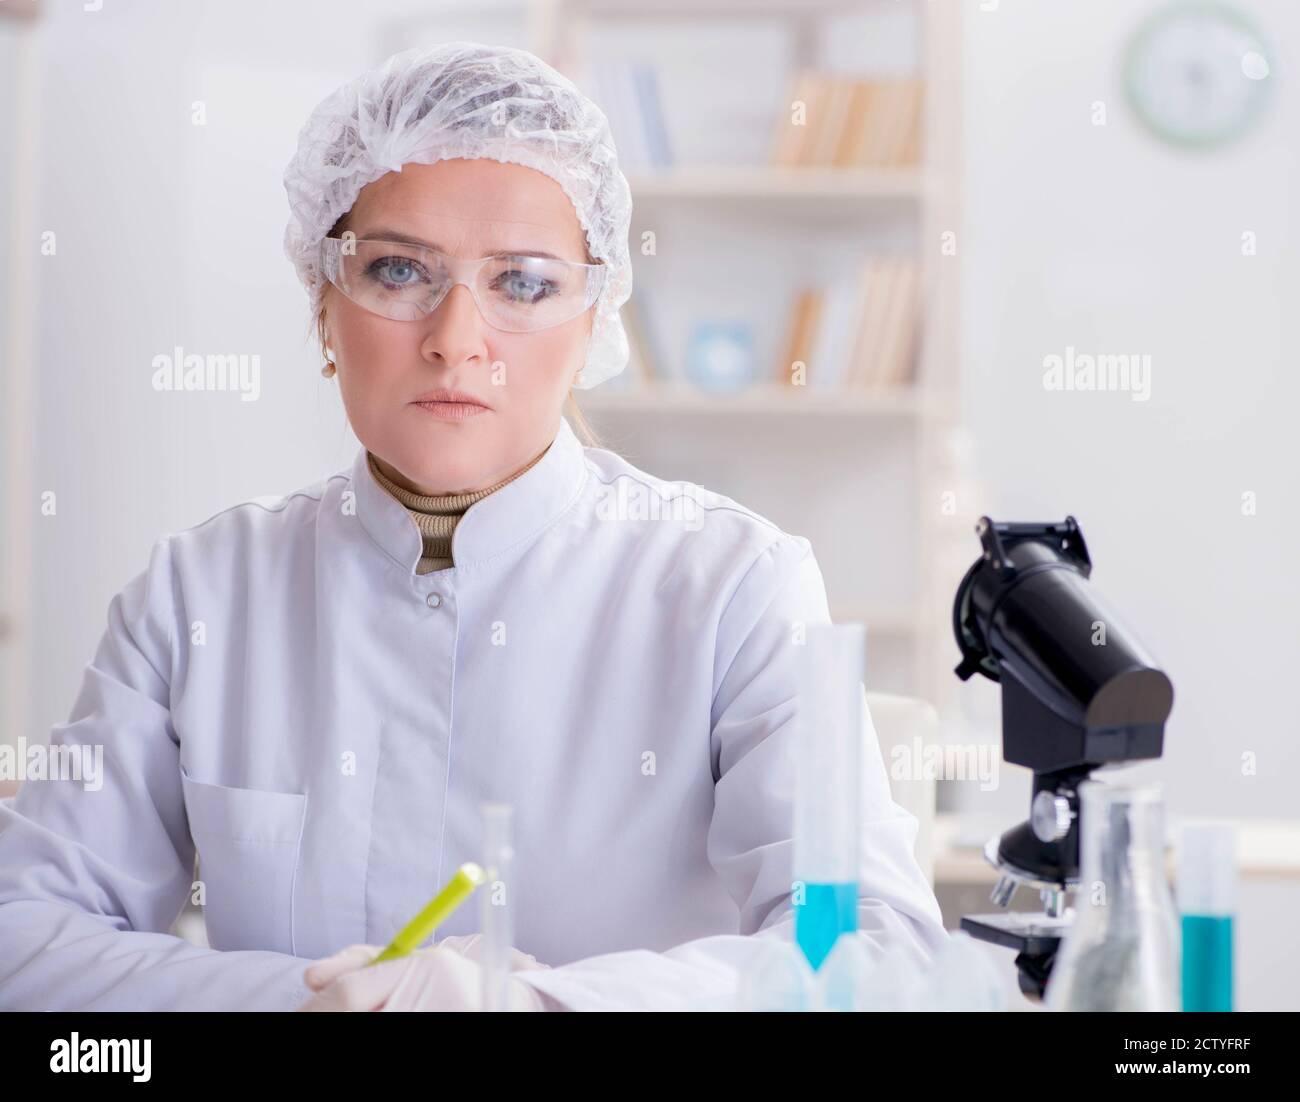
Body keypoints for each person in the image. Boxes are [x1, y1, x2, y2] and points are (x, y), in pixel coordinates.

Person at [0, 42, 947, 1012]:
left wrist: (538, 1007)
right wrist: (311, 1000)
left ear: (593, 319)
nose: (456, 339)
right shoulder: (199, 594)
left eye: (523, 283)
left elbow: (862, 945)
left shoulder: (736, 586)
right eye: (398, 269)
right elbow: (21, 933)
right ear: (324, 305)